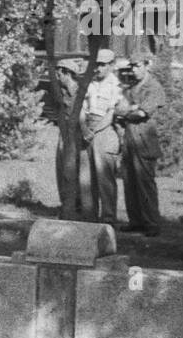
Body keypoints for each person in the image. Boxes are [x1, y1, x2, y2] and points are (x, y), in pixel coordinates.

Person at [115, 57, 166, 236]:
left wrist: (128, 111)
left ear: (147, 65)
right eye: (132, 67)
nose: (134, 70)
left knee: (145, 183)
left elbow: (142, 113)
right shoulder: (131, 87)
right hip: (129, 139)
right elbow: (119, 109)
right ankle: (135, 220)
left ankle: (152, 223)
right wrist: (131, 109)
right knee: (130, 182)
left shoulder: (153, 87)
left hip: (144, 140)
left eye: (137, 66)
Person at [78, 48, 124, 225]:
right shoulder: (89, 82)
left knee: (105, 178)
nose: (98, 68)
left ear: (112, 65)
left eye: (103, 65)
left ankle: (108, 219)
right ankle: (88, 217)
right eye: (96, 64)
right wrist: (84, 129)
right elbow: (82, 107)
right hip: (86, 128)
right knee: (85, 178)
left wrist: (94, 131)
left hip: (105, 130)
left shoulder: (115, 85)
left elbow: (111, 113)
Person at [52, 58, 85, 218]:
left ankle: (76, 206)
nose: (57, 76)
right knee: (61, 169)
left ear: (67, 73)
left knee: (75, 169)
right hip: (63, 135)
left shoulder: (79, 92)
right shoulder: (62, 92)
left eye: (59, 73)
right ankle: (66, 204)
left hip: (76, 135)